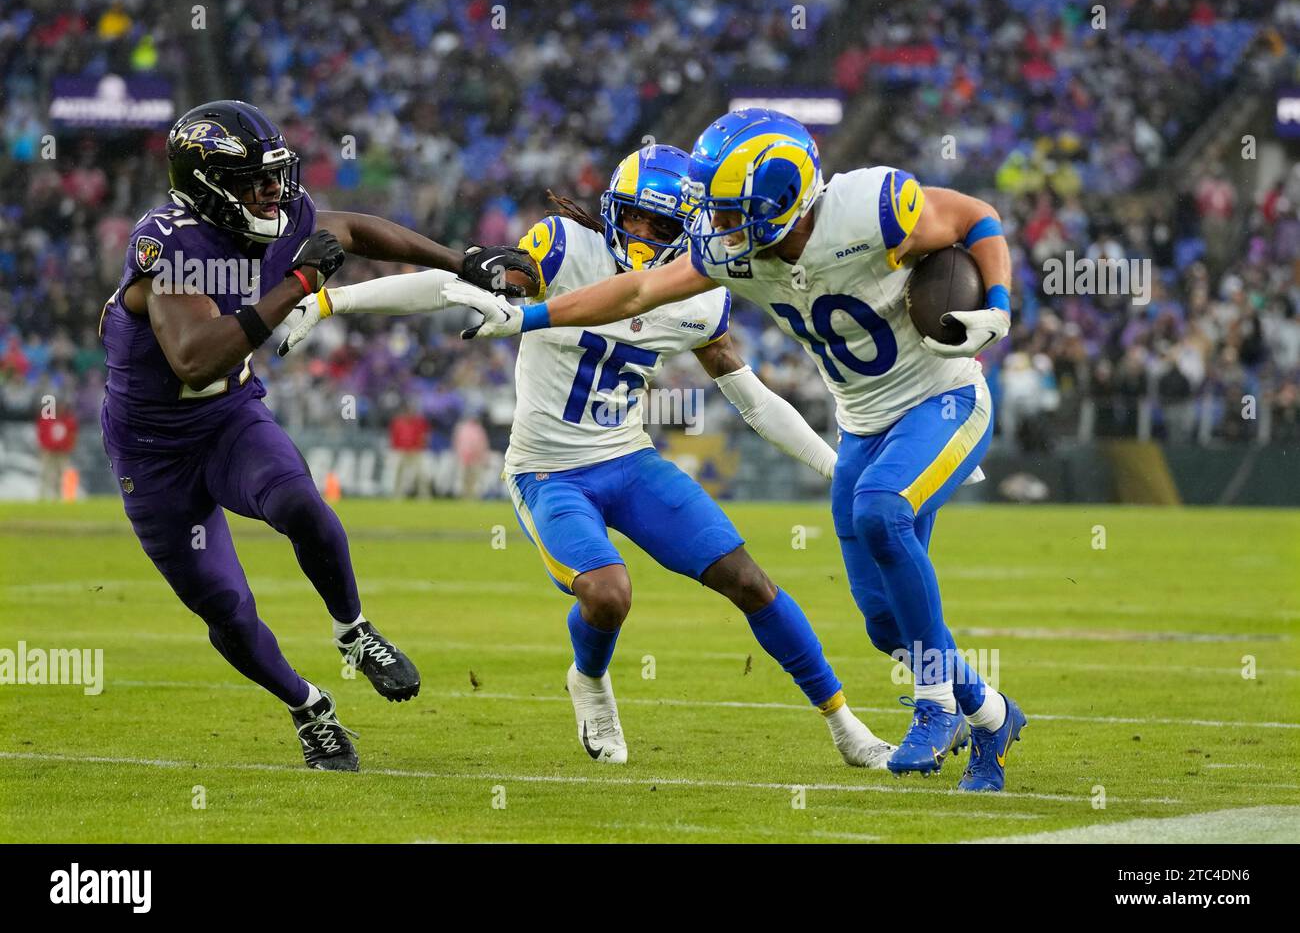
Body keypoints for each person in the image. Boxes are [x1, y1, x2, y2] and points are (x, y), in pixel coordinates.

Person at [448, 109, 1027, 791]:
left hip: (942, 397)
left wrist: (998, 305)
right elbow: (633, 289)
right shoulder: (731, 249)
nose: (717, 229)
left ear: (785, 200)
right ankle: (979, 711)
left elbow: (975, 217)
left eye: (730, 213)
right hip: (863, 425)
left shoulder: (869, 206)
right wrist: (526, 315)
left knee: (879, 512)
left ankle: (957, 710)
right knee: (882, 625)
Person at [281, 145, 895, 770]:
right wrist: (333, 302)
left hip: (629, 460)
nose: (642, 234)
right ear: (611, 210)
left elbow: (751, 397)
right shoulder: (565, 247)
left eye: (662, 227)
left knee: (750, 582)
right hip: (548, 470)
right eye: (632, 217)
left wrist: (834, 465)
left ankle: (846, 726)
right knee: (608, 593)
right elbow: (452, 285)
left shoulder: (700, 293)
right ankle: (590, 679)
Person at [99, 99, 536, 771]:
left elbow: (354, 230)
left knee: (300, 502)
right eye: (254, 179)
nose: (273, 191)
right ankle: (309, 708)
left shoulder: (276, 215)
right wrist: (301, 281)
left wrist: (461, 260)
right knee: (228, 609)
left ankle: (354, 632)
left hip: (226, 419)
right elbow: (194, 357)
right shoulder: (169, 242)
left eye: (275, 174)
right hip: (154, 452)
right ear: (205, 184)